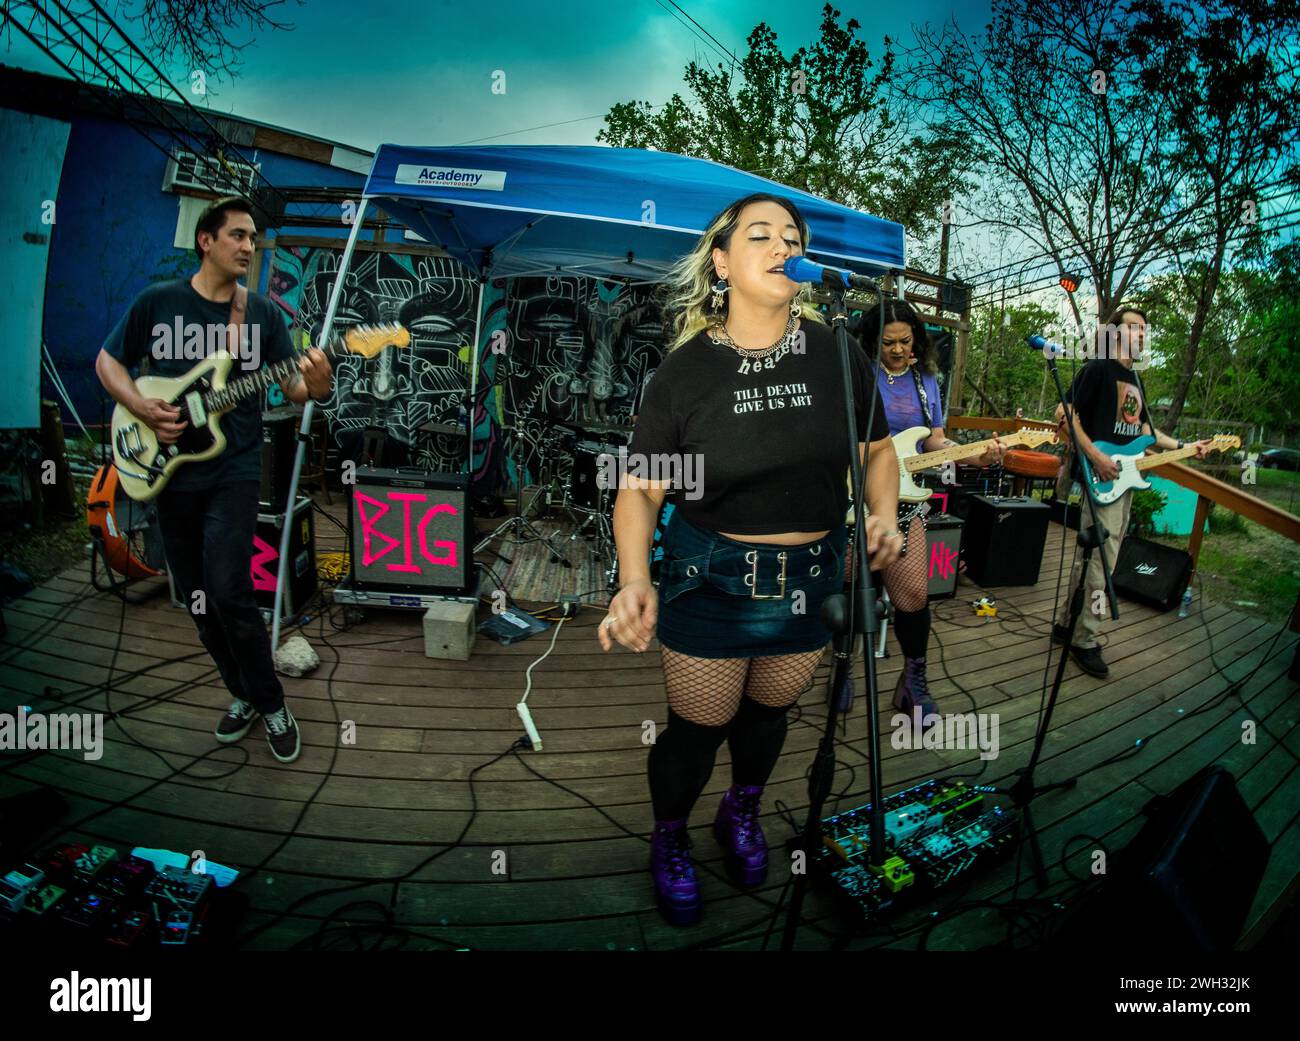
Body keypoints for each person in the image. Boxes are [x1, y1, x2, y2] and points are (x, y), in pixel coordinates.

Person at [596, 192, 901, 925]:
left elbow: (878, 450)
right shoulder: (685, 373)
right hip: (713, 576)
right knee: (699, 729)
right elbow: (640, 489)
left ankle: (742, 808)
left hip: (812, 578)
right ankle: (671, 837)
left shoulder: (837, 352)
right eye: (759, 235)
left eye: (791, 236)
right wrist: (634, 578)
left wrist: (884, 512)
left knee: (768, 714)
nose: (781, 245)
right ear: (722, 263)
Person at [95, 197, 333, 763]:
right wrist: (143, 408)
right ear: (206, 240)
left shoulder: (262, 315)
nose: (249, 246)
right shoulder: (158, 302)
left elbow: (294, 389)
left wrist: (320, 384)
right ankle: (241, 693)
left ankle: (272, 703)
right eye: (238, 235)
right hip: (169, 474)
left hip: (234, 470)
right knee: (198, 601)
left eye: (252, 237)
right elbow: (107, 362)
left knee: (230, 592)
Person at [854, 300, 1006, 717]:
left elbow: (934, 440)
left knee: (915, 594)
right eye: (888, 342)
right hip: (853, 494)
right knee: (850, 588)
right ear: (872, 342)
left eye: (905, 341)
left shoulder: (925, 381)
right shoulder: (858, 371)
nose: (898, 349)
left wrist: (975, 455)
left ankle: (912, 680)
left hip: (905, 499)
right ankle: (843, 669)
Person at [1052, 305, 1212, 678]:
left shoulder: (1135, 379)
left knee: (1092, 559)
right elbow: (1064, 415)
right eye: (1134, 327)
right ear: (1115, 333)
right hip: (1101, 478)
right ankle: (1086, 640)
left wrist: (1185, 447)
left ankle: (1066, 624)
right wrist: (1096, 457)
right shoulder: (1098, 368)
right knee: (1102, 564)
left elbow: (1143, 432)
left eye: (1144, 329)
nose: (1141, 334)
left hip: (1123, 480)